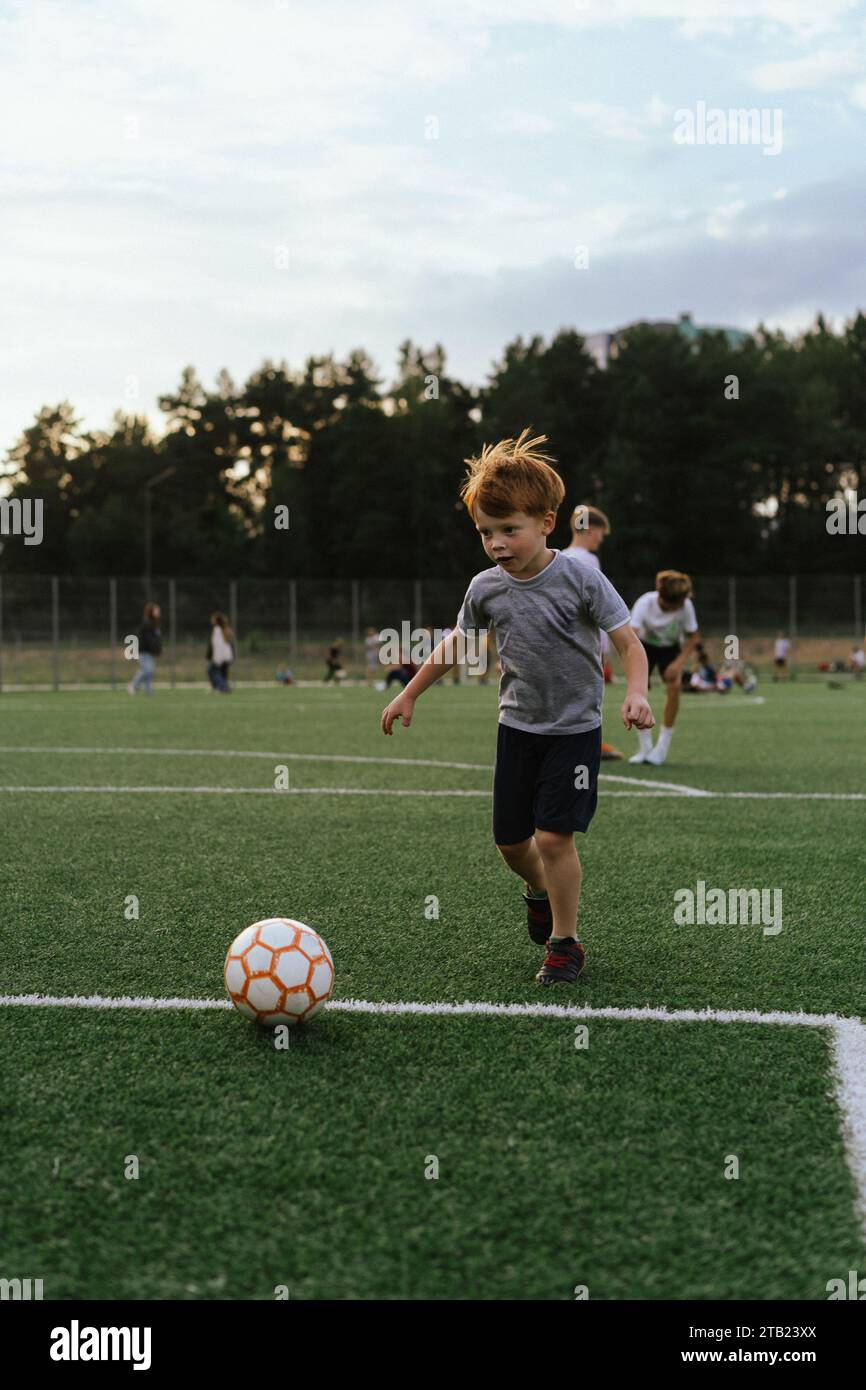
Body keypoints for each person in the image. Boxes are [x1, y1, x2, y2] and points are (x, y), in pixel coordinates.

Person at [380, 429, 654, 987]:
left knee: (554, 837)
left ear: (547, 522)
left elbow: (628, 641)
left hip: (575, 730)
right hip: (517, 729)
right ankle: (536, 891)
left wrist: (636, 690)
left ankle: (565, 942)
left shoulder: (581, 577)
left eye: (510, 529)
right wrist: (410, 691)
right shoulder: (485, 588)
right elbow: (455, 644)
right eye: (486, 532)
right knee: (511, 844)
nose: (498, 543)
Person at [564, 503, 622, 759]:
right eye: (600, 531)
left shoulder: (560, 555)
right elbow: (597, 607)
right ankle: (589, 745)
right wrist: (603, 646)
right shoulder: (588, 559)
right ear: (589, 530)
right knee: (587, 694)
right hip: (581, 640)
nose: (601, 537)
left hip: (562, 639)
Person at [629, 571, 702, 765]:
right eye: (672, 607)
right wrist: (637, 670)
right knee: (640, 691)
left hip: (670, 648)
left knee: (674, 687)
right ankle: (645, 748)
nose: (675, 610)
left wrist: (678, 664)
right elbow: (630, 638)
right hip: (643, 646)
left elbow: (693, 637)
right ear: (662, 598)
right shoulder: (645, 604)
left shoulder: (685, 605)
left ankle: (661, 748)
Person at [127, 602, 162, 694]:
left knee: (150, 672)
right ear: (151, 612)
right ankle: (133, 685)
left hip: (151, 652)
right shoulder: (147, 624)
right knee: (147, 670)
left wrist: (157, 650)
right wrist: (155, 650)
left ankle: (148, 690)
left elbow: (156, 640)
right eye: (156, 610)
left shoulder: (155, 624)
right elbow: (148, 640)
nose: (158, 611)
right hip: (144, 651)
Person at [207, 612, 234, 693]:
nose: (211, 620)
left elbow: (218, 645)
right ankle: (219, 688)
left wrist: (216, 658)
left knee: (211, 671)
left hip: (220, 656)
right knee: (222, 673)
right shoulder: (224, 629)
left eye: (213, 619)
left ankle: (223, 687)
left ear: (217, 621)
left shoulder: (217, 630)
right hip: (226, 656)